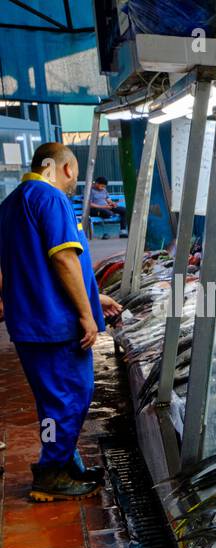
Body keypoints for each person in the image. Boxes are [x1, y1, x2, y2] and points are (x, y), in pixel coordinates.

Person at [0, 142, 122, 501]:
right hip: (55, 325)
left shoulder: (10, 204)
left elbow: (32, 266)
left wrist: (94, 297)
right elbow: (64, 260)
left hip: (30, 323)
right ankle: (50, 473)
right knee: (73, 397)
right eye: (75, 175)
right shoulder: (50, 199)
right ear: (66, 168)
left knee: (52, 401)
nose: (74, 183)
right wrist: (87, 315)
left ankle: (64, 463)